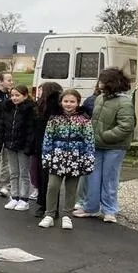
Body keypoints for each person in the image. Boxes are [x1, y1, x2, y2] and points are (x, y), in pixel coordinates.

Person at [73, 67, 136, 224]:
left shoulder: (124, 102)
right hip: (97, 144)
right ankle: (91, 207)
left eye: (102, 80)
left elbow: (126, 126)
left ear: (110, 82)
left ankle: (110, 210)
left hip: (115, 147)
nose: (99, 83)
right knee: (92, 176)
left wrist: (103, 136)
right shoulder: (100, 98)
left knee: (109, 178)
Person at [38, 89, 94, 230]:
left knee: (71, 188)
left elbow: (89, 141)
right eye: (66, 101)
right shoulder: (54, 118)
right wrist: (46, 156)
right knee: (52, 186)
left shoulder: (84, 119)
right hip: (57, 156)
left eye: (72, 101)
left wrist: (88, 159)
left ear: (77, 103)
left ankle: (67, 215)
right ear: (61, 102)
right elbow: (47, 139)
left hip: (76, 158)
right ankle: (49, 214)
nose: (69, 104)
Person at [0, 85, 35, 211]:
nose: (14, 98)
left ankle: (24, 199)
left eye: (18, 95)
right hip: (10, 145)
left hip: (22, 146)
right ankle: (14, 197)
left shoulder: (29, 110)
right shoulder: (8, 108)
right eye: (12, 95)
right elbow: (1, 128)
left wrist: (28, 147)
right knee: (14, 173)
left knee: (23, 173)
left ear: (25, 96)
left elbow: (30, 130)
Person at [30, 82, 63, 218]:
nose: (39, 92)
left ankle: (50, 207)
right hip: (40, 146)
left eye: (41, 90)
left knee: (49, 180)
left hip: (50, 147)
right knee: (42, 178)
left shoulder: (54, 108)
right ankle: (44, 205)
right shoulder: (39, 106)